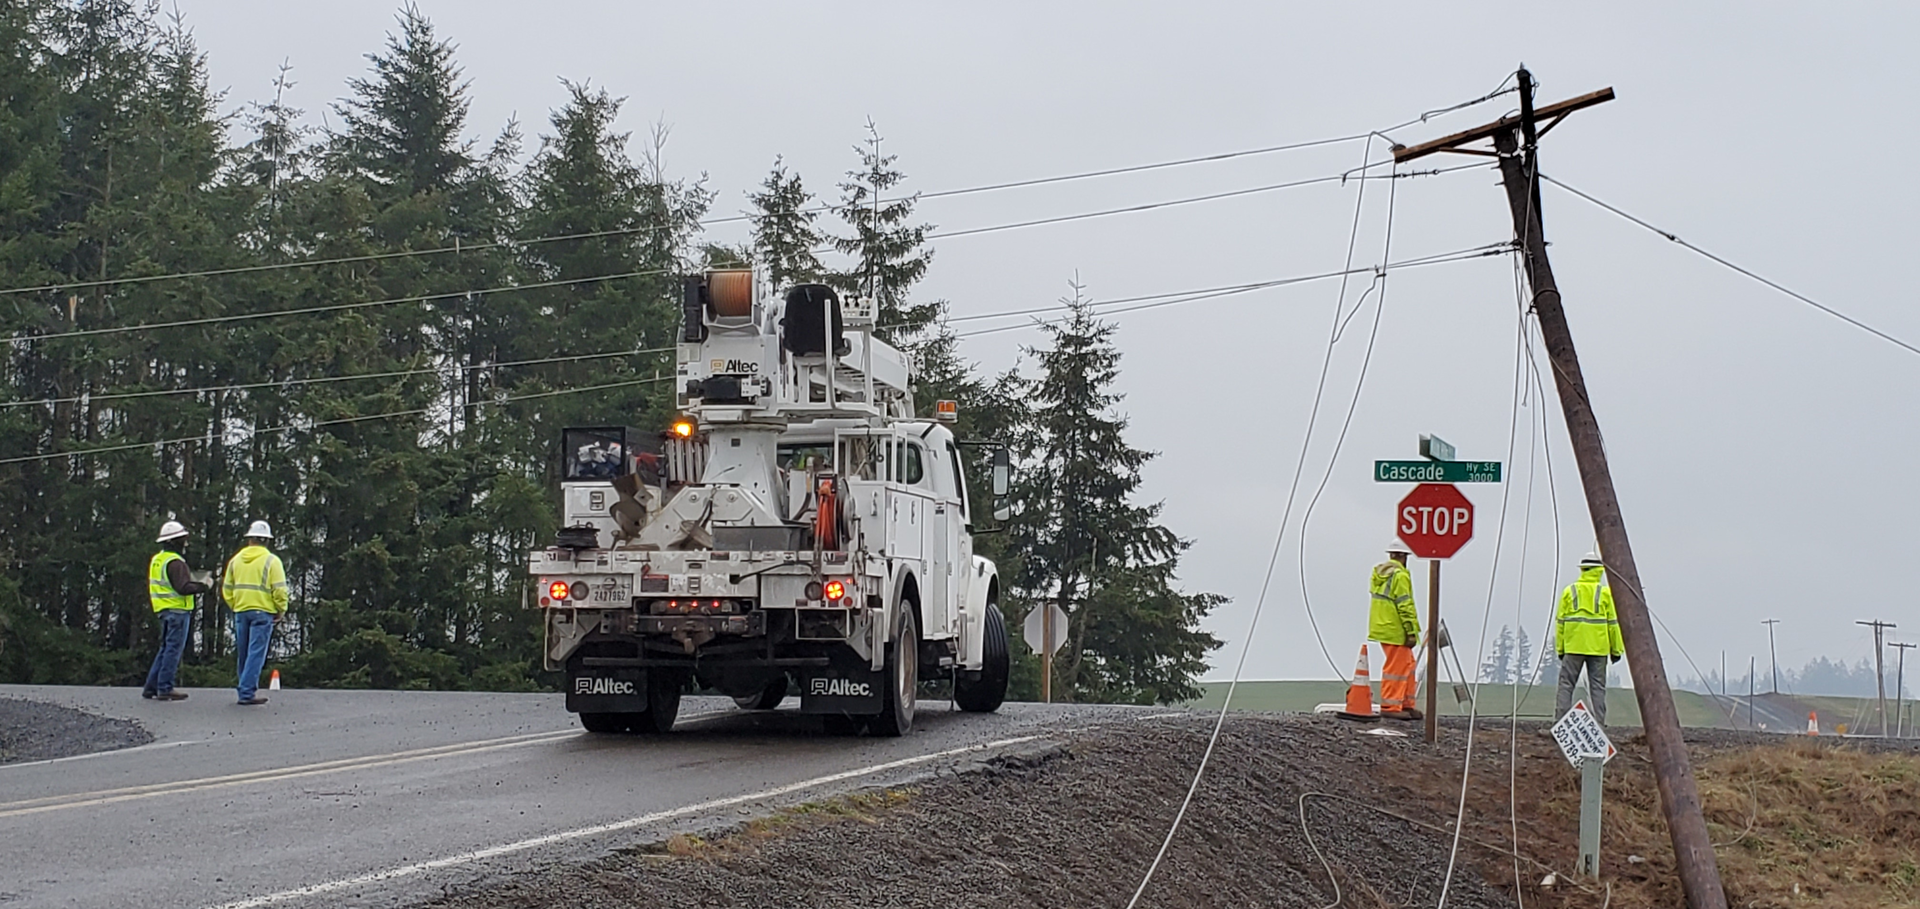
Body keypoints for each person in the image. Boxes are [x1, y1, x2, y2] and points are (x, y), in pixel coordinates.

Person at [141, 521, 210, 701]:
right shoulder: (176, 562)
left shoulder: (158, 559)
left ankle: (151, 686)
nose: (185, 543)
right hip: (177, 611)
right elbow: (182, 587)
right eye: (183, 539)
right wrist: (204, 586)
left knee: (165, 648)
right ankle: (165, 687)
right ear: (174, 541)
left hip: (163, 609)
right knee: (173, 650)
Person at [222, 520, 289, 706]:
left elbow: (227, 588)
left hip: (241, 610)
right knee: (256, 653)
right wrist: (281, 609)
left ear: (249, 539)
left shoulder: (235, 561)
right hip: (262, 612)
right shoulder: (271, 561)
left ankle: (244, 687)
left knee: (243, 653)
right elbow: (280, 590)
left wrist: (236, 604)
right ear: (266, 541)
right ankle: (246, 692)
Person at [1555, 552, 1625, 725]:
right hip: (1599, 648)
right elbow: (1613, 624)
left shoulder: (1569, 591)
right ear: (1600, 570)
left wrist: (1560, 649)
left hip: (1573, 647)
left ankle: (1560, 724)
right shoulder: (1605, 594)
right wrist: (1616, 650)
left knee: (1566, 685)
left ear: (1582, 569)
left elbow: (1560, 623)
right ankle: (1598, 725)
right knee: (1597, 688)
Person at [1370, 539, 1422, 720]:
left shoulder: (1381, 575)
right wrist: (1410, 631)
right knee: (1397, 668)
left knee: (1408, 665)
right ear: (1403, 556)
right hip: (1395, 629)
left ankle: (1405, 704)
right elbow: (1405, 605)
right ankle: (1391, 706)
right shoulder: (1400, 576)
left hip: (1385, 626)